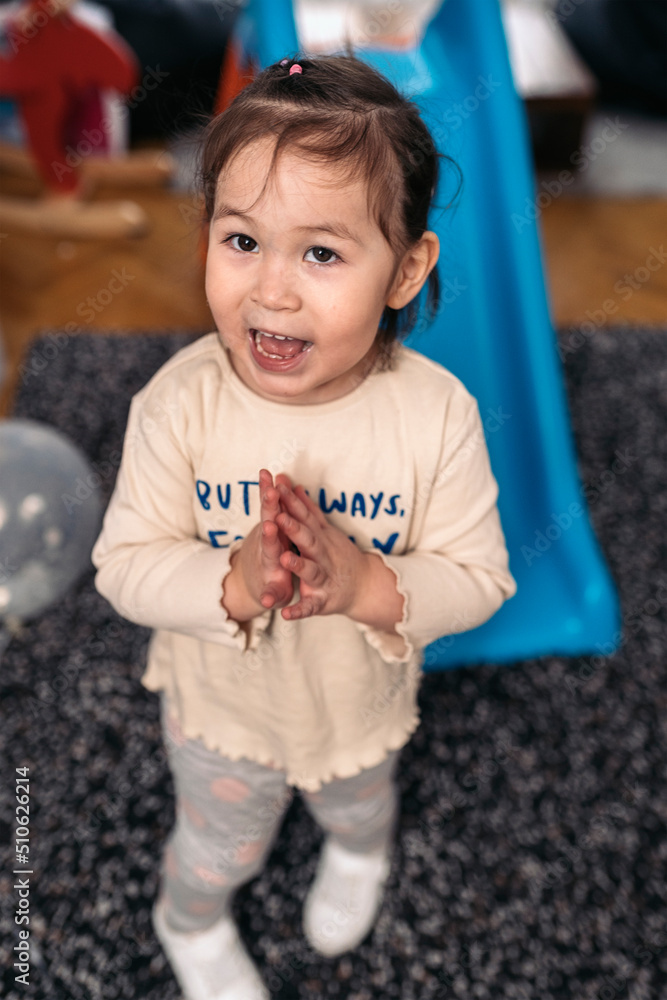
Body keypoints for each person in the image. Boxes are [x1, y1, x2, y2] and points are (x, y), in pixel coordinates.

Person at [92, 53, 516, 1000]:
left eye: (321, 253)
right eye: (242, 241)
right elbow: (122, 567)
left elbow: (482, 577)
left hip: (359, 707)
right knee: (216, 847)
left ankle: (358, 856)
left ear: (405, 270)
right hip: (225, 720)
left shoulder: (435, 415)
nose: (271, 291)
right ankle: (186, 920)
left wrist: (367, 585)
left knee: (359, 807)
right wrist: (233, 584)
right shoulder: (177, 406)